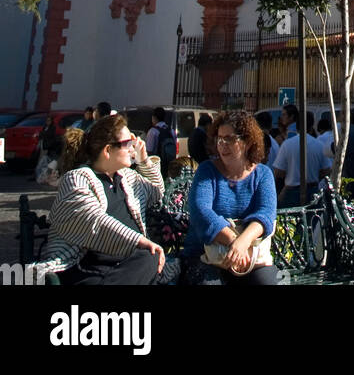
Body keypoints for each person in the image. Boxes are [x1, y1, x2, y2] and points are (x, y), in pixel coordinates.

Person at [43, 114, 166, 285]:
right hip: (86, 266)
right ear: (108, 150)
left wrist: (144, 160)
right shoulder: (78, 178)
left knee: (150, 260)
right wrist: (140, 241)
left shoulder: (128, 178)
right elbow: (92, 220)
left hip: (128, 265)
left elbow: (157, 191)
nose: (133, 147)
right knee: (149, 258)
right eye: (128, 143)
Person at [184, 111, 278, 285]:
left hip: (252, 256)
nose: (222, 144)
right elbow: (201, 211)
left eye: (229, 139)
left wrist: (244, 243)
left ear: (247, 142)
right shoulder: (207, 171)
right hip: (207, 257)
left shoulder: (263, 174)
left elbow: (266, 214)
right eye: (219, 138)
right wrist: (234, 243)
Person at [273, 110, 330, 205]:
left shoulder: (287, 145)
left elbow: (278, 171)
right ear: (312, 126)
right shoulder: (319, 145)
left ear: (296, 125)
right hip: (313, 190)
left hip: (291, 191)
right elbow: (327, 170)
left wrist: (290, 172)